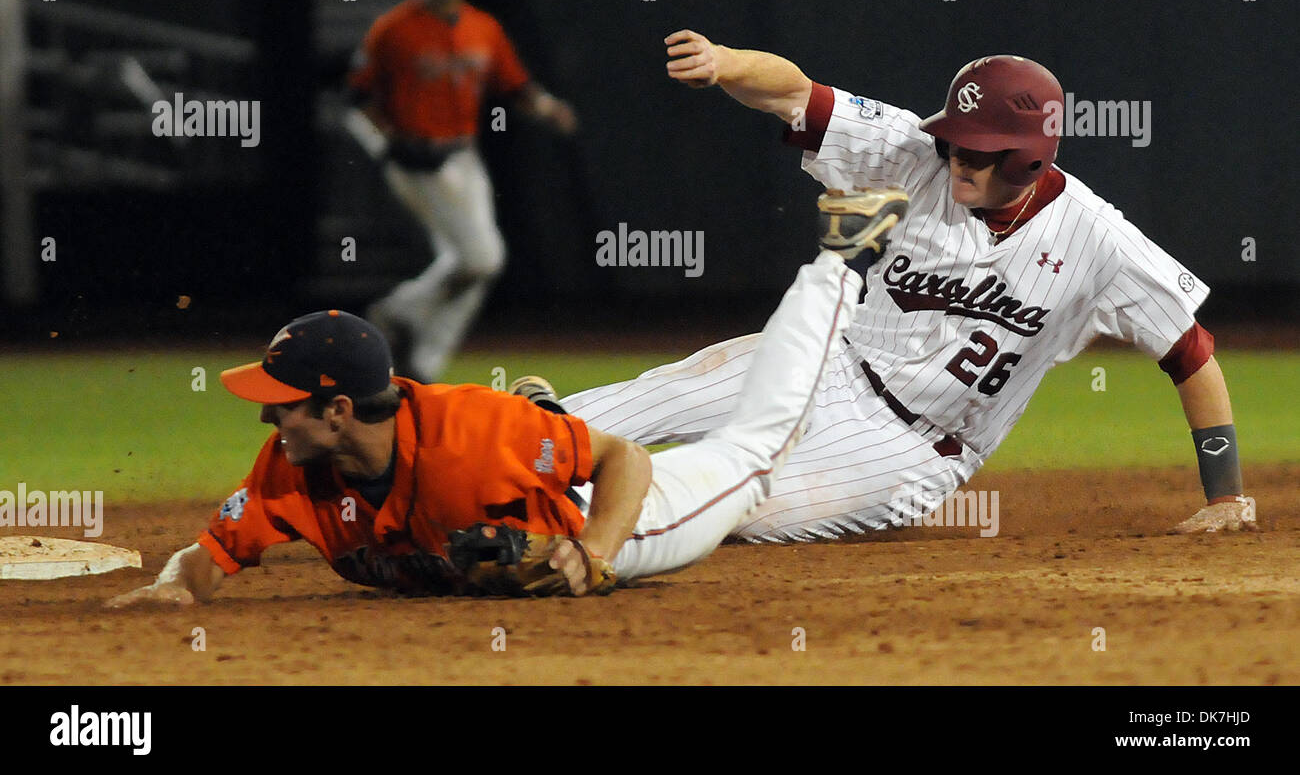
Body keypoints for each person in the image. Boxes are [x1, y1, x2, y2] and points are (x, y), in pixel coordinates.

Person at [560, 30, 1257, 541]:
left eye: (977, 150)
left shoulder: (1099, 239)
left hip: (910, 450)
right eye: (954, 139)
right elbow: (795, 94)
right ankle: (485, 450)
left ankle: (547, 529)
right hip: (833, 366)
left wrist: (1227, 497)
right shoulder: (916, 155)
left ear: (1026, 158)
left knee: (741, 501)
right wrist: (725, 65)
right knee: (661, 392)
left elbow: (1191, 358)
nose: (955, 157)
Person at [104, 189, 907, 605]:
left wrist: (594, 554)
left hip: (623, 521)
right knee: (535, 444)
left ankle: (838, 257)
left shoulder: (465, 434)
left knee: (752, 451)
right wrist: (176, 586)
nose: (267, 417)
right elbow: (209, 561)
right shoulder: (290, 471)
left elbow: (626, 459)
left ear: (338, 409)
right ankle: (549, 424)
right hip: (528, 473)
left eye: (284, 402)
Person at [343, 0, 579, 382]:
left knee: (476, 266)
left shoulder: (482, 28)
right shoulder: (393, 29)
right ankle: (397, 316)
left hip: (463, 158)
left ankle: (420, 355)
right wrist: (387, 145)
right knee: (480, 258)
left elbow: (517, 87)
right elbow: (356, 99)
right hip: (415, 161)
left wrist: (549, 108)